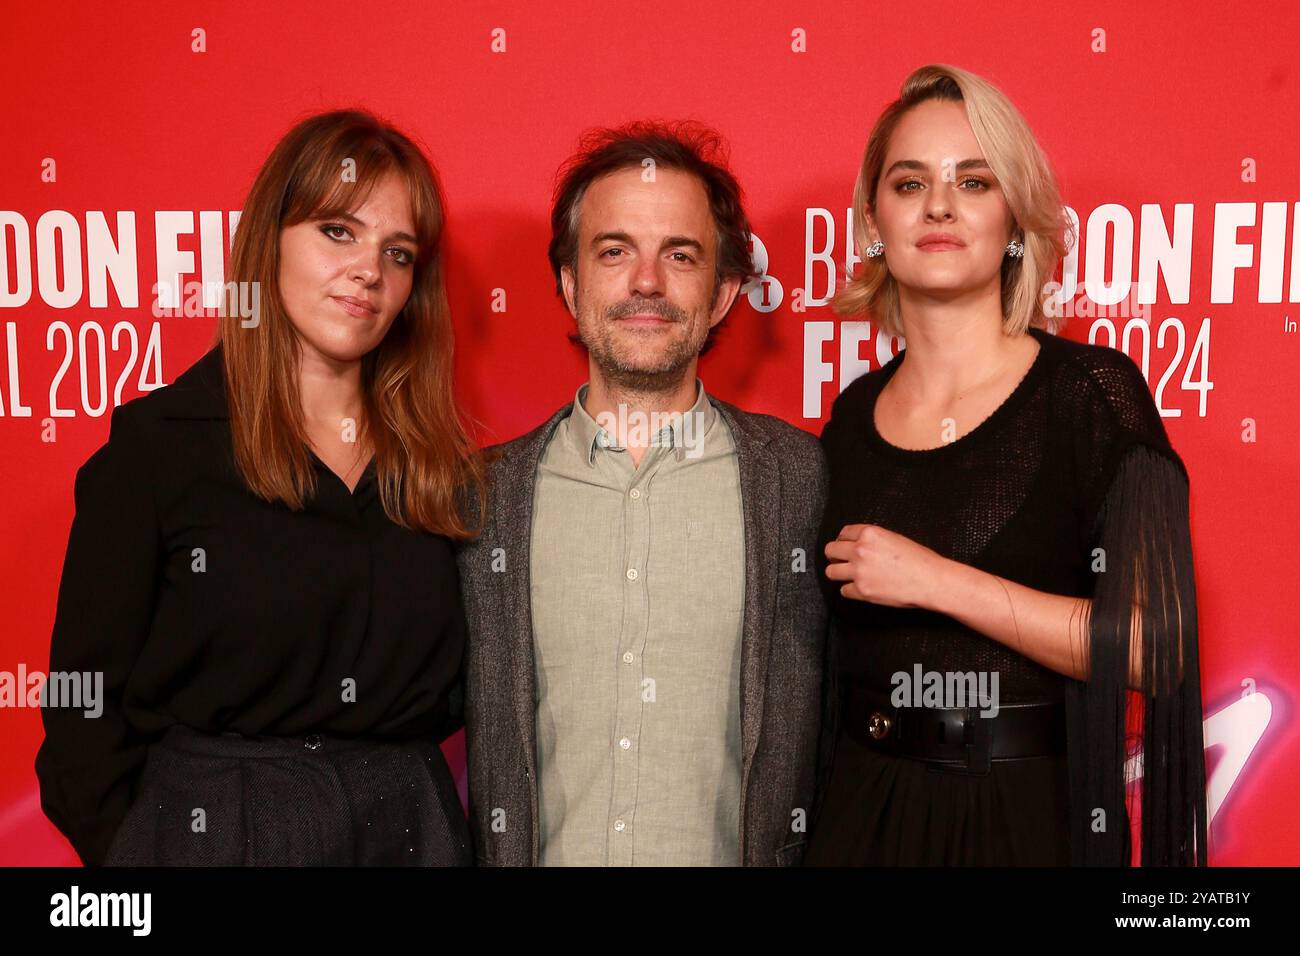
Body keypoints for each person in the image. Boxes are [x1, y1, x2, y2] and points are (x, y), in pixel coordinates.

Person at [35, 109, 485, 866]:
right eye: (338, 232)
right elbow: (82, 706)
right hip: (216, 833)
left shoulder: (443, 468)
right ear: (267, 240)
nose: (369, 271)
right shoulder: (161, 448)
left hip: (411, 830)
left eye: (398, 252)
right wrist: (144, 856)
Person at [806, 64, 1207, 866]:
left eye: (974, 181)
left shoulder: (1089, 394)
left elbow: (1154, 646)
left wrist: (938, 580)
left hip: (1026, 818)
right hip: (862, 810)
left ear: (1016, 220)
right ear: (875, 224)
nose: (940, 205)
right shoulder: (847, 422)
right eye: (910, 181)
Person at [457, 121, 828, 866]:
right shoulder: (482, 497)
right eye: (614, 251)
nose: (647, 283)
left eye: (680, 255)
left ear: (724, 293)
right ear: (570, 283)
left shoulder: (801, 481)